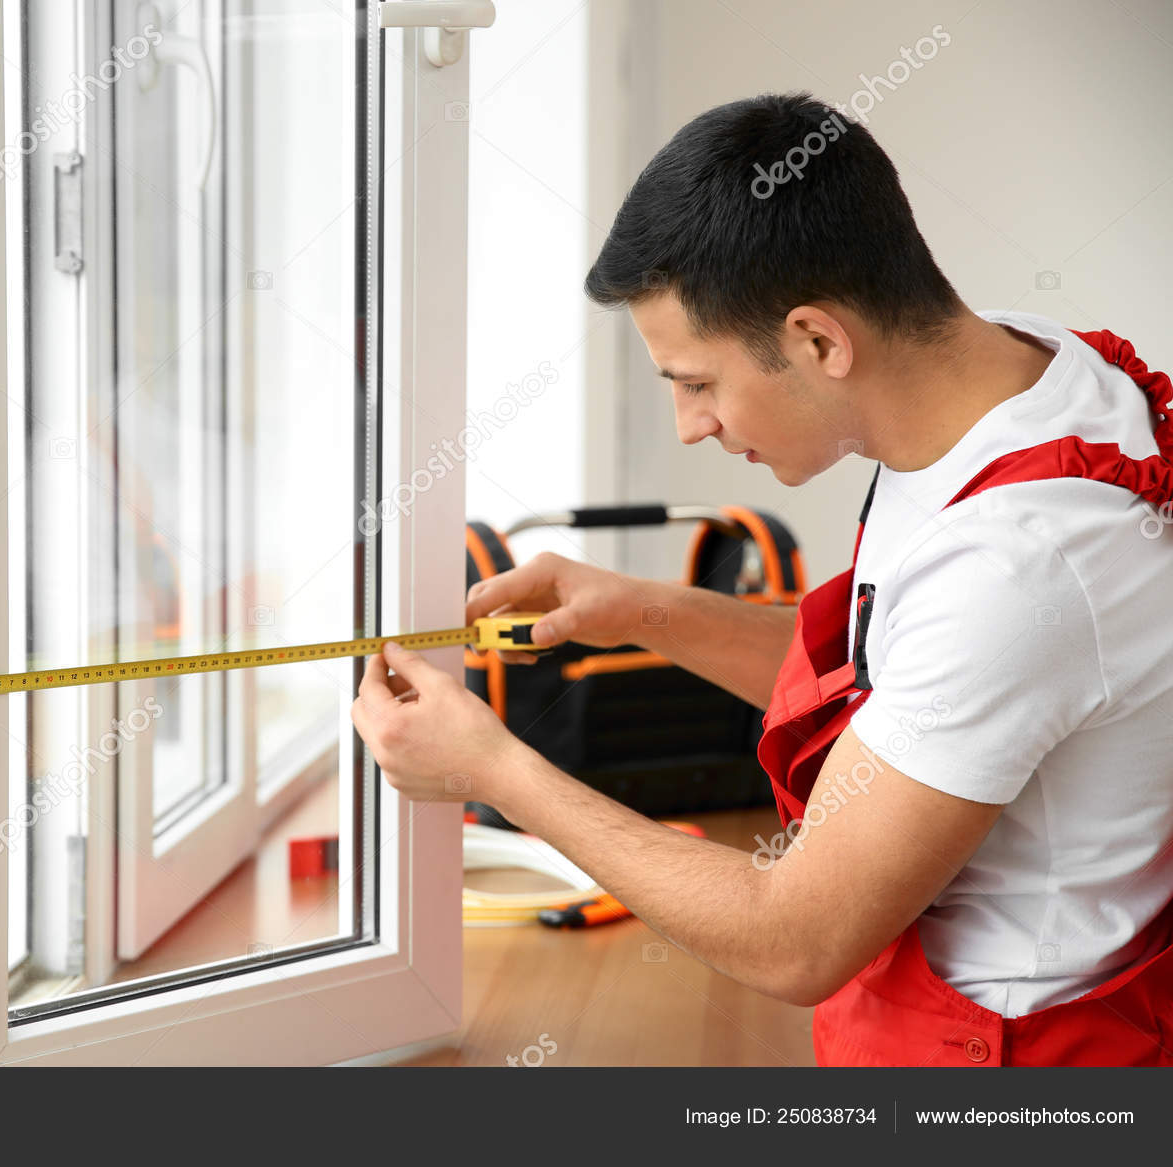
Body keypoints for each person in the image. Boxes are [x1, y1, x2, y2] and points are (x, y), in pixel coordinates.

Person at [349, 92, 1173, 1066]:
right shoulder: (1020, 371)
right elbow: (910, 679)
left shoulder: (1023, 562)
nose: (689, 425)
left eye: (696, 382)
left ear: (819, 341)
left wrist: (492, 770)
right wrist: (642, 611)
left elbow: (795, 938)